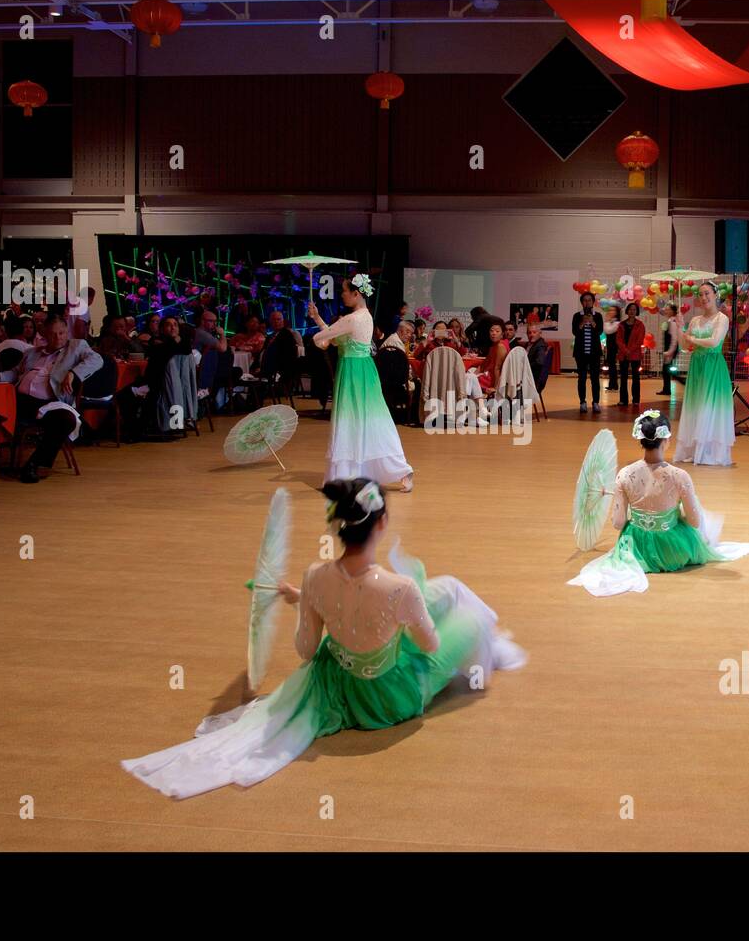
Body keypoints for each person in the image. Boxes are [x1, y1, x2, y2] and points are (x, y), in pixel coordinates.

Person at [121, 479, 526, 799]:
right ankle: (488, 648)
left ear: (337, 526)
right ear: (381, 524)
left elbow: (306, 650)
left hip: (344, 683)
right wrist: (402, 625)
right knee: (469, 618)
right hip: (390, 696)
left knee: (448, 588)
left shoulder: (315, 576)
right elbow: (430, 646)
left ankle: (490, 644)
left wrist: (306, 603)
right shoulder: (400, 587)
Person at [569, 411, 749, 597]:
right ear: (666, 441)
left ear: (641, 441)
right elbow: (695, 522)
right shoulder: (680, 476)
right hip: (674, 551)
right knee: (691, 506)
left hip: (637, 550)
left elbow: (618, 523)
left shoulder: (624, 475)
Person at [308, 276, 414, 491]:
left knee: (350, 420)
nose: (342, 295)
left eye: (345, 291)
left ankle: (347, 474)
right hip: (365, 370)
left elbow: (321, 339)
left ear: (356, 293)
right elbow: (334, 336)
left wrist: (319, 326)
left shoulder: (352, 319)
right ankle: (399, 469)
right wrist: (319, 319)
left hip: (352, 372)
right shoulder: (365, 316)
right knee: (373, 420)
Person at [0, 313, 102, 483]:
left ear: (67, 332)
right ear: (45, 334)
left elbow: (97, 360)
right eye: (53, 334)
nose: (58, 338)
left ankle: (35, 464)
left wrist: (73, 374)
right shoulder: (31, 352)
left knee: (66, 420)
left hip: (51, 402)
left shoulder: (76, 346)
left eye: (62, 333)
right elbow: (15, 373)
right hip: (20, 401)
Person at [672, 282, 734, 466]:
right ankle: (694, 450)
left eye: (707, 293)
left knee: (710, 406)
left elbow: (715, 342)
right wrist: (682, 329)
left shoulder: (722, 319)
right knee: (696, 405)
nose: (704, 297)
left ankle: (709, 453)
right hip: (697, 366)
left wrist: (693, 338)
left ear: (715, 295)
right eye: (700, 294)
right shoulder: (695, 320)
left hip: (713, 366)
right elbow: (685, 348)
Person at [571, 291, 602, 414]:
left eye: (589, 300)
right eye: (585, 300)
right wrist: (582, 323)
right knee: (582, 378)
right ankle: (582, 402)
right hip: (581, 353)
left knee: (595, 378)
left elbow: (599, 331)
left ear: (593, 302)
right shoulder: (577, 316)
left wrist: (592, 322)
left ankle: (596, 403)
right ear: (582, 302)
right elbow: (574, 332)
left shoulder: (598, 316)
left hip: (594, 353)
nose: (587, 302)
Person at [616, 302, 646, 407]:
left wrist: (630, 350)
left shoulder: (640, 325)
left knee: (636, 378)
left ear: (636, 312)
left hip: (635, 354)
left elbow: (640, 340)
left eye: (634, 309)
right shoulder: (621, 325)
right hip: (623, 354)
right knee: (623, 378)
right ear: (627, 311)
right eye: (630, 309)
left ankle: (636, 400)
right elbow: (618, 340)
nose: (632, 311)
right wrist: (625, 350)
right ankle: (623, 400)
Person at [657, 303, 679, 396]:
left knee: (666, 370)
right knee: (666, 370)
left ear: (673, 311)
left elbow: (674, 339)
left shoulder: (673, 322)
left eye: (668, 309)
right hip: (669, 349)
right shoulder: (670, 321)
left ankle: (667, 389)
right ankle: (666, 389)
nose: (666, 310)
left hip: (671, 349)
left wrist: (670, 352)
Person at [603, 305, 621, 392]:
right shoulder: (611, 322)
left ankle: (614, 385)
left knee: (612, 365)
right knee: (611, 365)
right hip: (610, 346)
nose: (610, 312)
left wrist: (606, 321)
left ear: (617, 313)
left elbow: (608, 330)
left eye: (613, 310)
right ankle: (612, 384)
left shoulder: (617, 323)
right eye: (609, 310)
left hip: (615, 346)